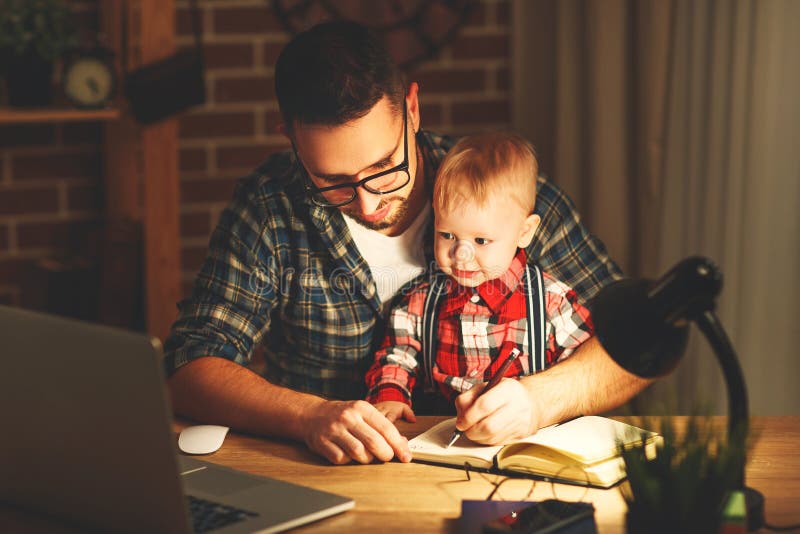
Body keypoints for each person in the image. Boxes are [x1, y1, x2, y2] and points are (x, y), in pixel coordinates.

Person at [164, 20, 649, 466]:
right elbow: (189, 365)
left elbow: (639, 344)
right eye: (332, 182)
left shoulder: (502, 193)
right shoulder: (269, 208)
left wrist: (541, 400)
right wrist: (307, 415)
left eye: (383, 167)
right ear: (290, 138)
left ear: (412, 110)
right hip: (322, 473)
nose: (368, 201)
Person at [366, 132, 595, 445]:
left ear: (525, 232)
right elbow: (397, 355)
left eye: (481, 240)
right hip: (440, 442)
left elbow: (583, 366)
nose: (461, 254)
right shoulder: (420, 302)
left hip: (525, 441)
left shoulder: (551, 301)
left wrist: (549, 402)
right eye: (447, 235)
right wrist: (390, 396)